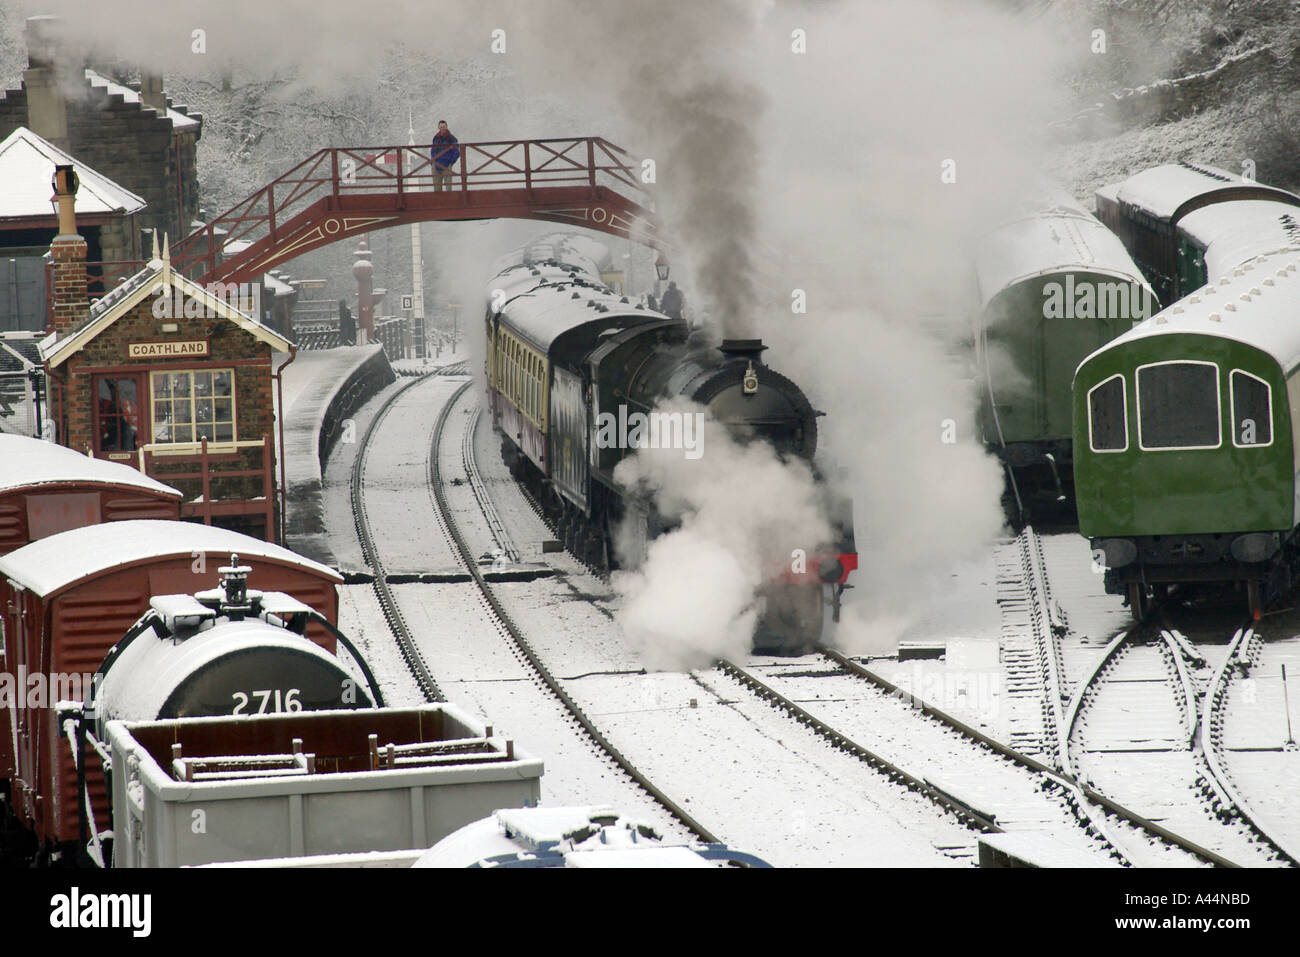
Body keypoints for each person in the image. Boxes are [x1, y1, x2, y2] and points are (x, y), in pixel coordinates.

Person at [430, 120, 459, 192]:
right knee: (437, 190)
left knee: (448, 189)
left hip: (446, 165)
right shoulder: (436, 138)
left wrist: (451, 162)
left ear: (446, 127)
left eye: (443, 126)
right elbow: (433, 150)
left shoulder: (451, 138)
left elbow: (456, 152)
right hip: (436, 165)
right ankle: (438, 203)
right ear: (438, 127)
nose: (442, 128)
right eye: (441, 127)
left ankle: (449, 202)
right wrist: (433, 161)